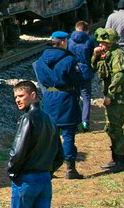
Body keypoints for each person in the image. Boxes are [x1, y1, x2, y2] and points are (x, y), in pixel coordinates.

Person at [6, 80, 63, 208]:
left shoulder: (27, 119)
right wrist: (48, 170)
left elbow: (17, 151)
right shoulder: (50, 120)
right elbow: (60, 155)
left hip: (26, 181)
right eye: (15, 97)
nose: (17, 100)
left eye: (21, 96)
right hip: (44, 180)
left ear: (33, 95)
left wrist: (13, 172)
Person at [33, 31, 85, 179]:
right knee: (68, 134)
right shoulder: (69, 59)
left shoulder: (41, 60)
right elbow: (77, 79)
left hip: (49, 97)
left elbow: (41, 79)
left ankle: (49, 168)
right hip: (66, 97)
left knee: (51, 135)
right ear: (63, 42)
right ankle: (70, 168)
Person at [91, 28, 124, 173]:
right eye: (100, 42)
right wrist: (95, 56)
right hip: (110, 96)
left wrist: (110, 95)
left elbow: (119, 76)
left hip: (116, 98)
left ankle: (120, 162)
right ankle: (115, 159)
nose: (101, 44)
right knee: (110, 128)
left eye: (104, 42)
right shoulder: (105, 54)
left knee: (116, 128)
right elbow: (93, 67)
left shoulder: (118, 54)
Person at [67, 21, 97, 131]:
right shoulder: (89, 41)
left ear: (76, 28)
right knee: (86, 98)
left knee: (74, 96)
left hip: (73, 72)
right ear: (87, 30)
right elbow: (92, 58)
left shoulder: (69, 41)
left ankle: (74, 121)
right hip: (85, 72)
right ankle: (85, 122)